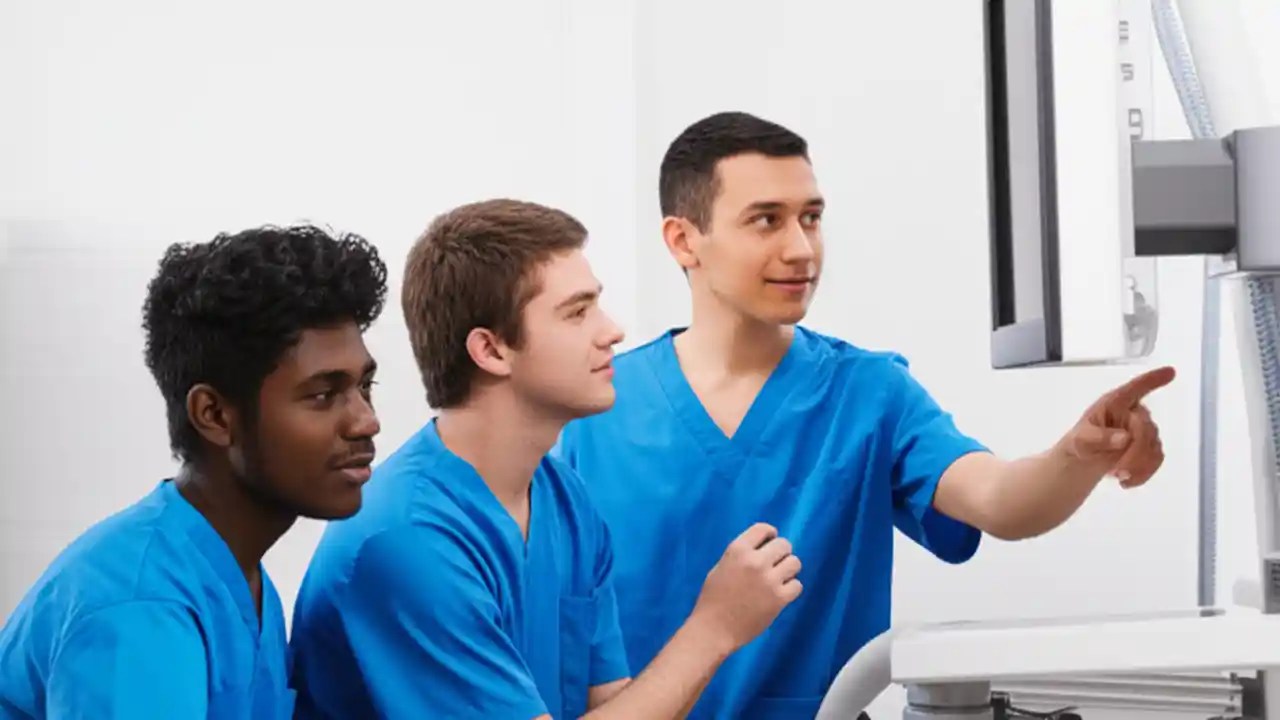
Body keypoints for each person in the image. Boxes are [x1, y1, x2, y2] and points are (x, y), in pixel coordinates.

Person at [552, 111, 1176, 718]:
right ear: (684, 240)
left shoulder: (868, 394)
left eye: (812, 218)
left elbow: (1000, 501)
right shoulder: (592, 409)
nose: (801, 249)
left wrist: (1078, 455)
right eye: (765, 220)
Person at [289, 198, 803, 719]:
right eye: (577, 313)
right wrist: (713, 628)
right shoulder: (405, 541)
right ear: (491, 350)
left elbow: (620, 707)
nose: (612, 331)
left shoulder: (566, 502)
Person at [0, 225, 388, 719]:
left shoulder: (239, 580)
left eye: (364, 386)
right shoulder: (141, 610)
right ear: (215, 415)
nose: (366, 420)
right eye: (323, 394)